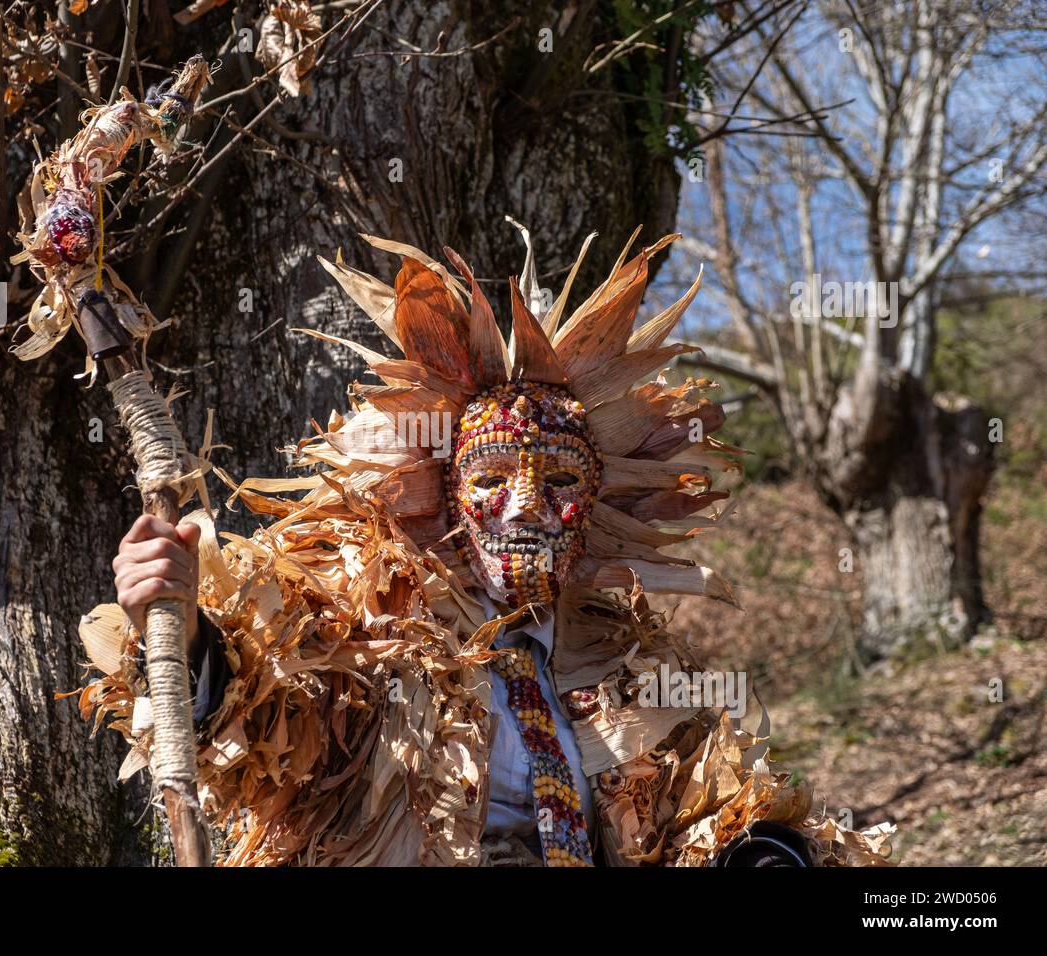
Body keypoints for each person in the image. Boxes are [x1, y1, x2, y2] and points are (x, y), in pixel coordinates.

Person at [85, 229, 895, 867]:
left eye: (558, 483)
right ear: (443, 494)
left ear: (596, 510)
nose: (524, 507)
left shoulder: (628, 666)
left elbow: (698, 816)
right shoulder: (365, 626)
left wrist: (763, 857)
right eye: (493, 477)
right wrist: (191, 637)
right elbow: (268, 729)